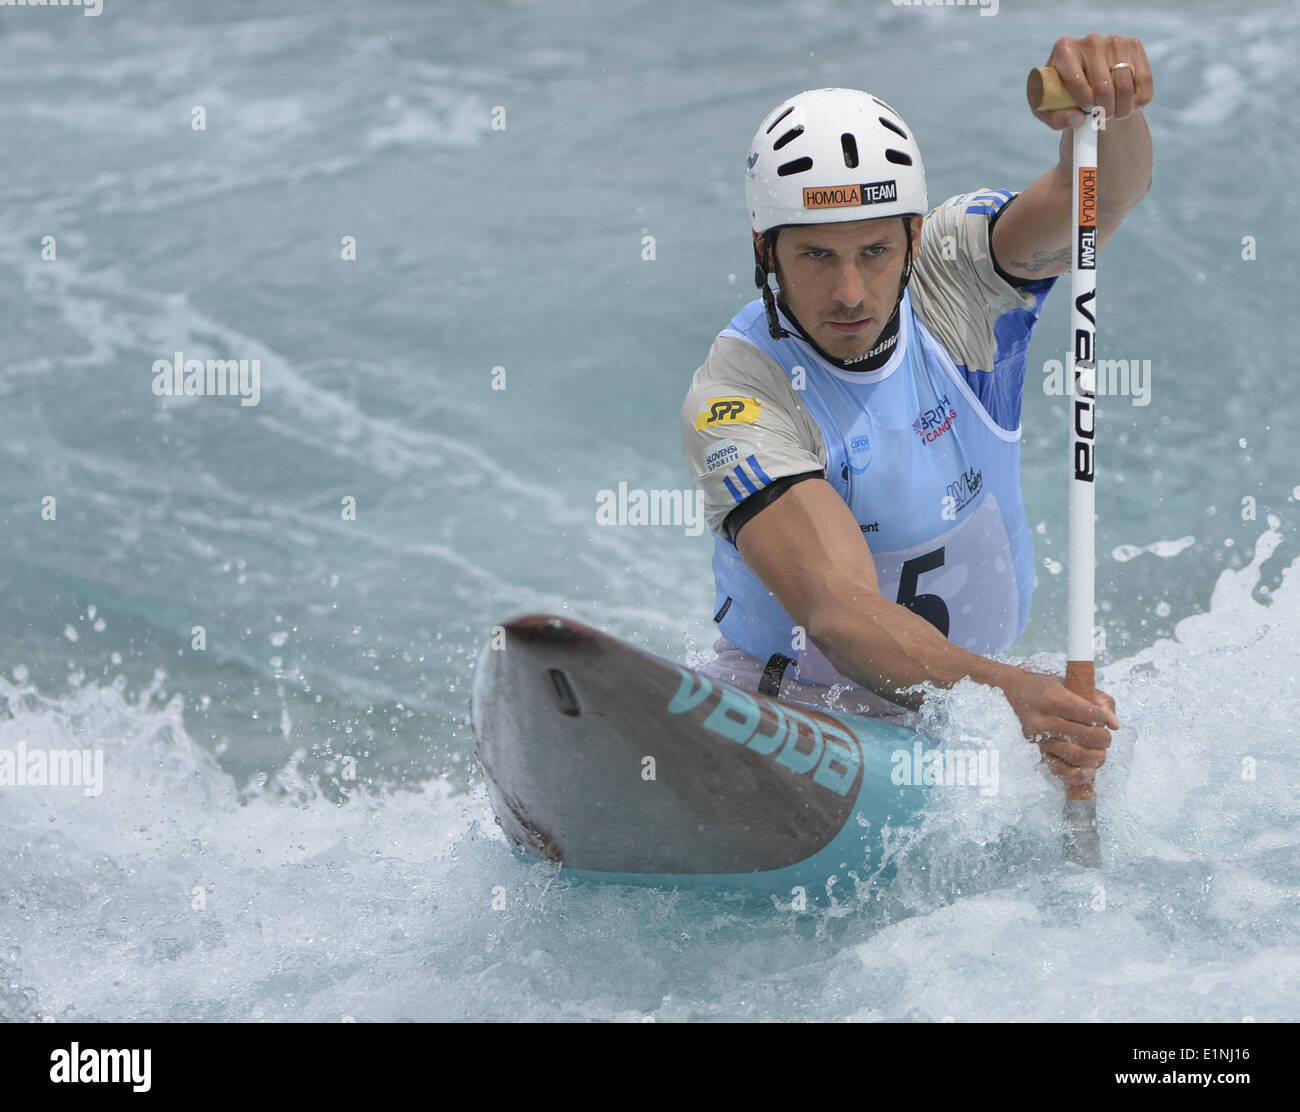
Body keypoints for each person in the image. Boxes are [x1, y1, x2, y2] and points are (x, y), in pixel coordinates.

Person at [680, 35, 1153, 791]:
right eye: (815, 257)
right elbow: (837, 612)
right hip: (799, 717)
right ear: (765, 252)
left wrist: (1110, 114)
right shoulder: (741, 392)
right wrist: (1011, 693)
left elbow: (1098, 199)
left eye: (873, 252)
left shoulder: (958, 279)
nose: (850, 294)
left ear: (914, 236)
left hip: (980, 709)